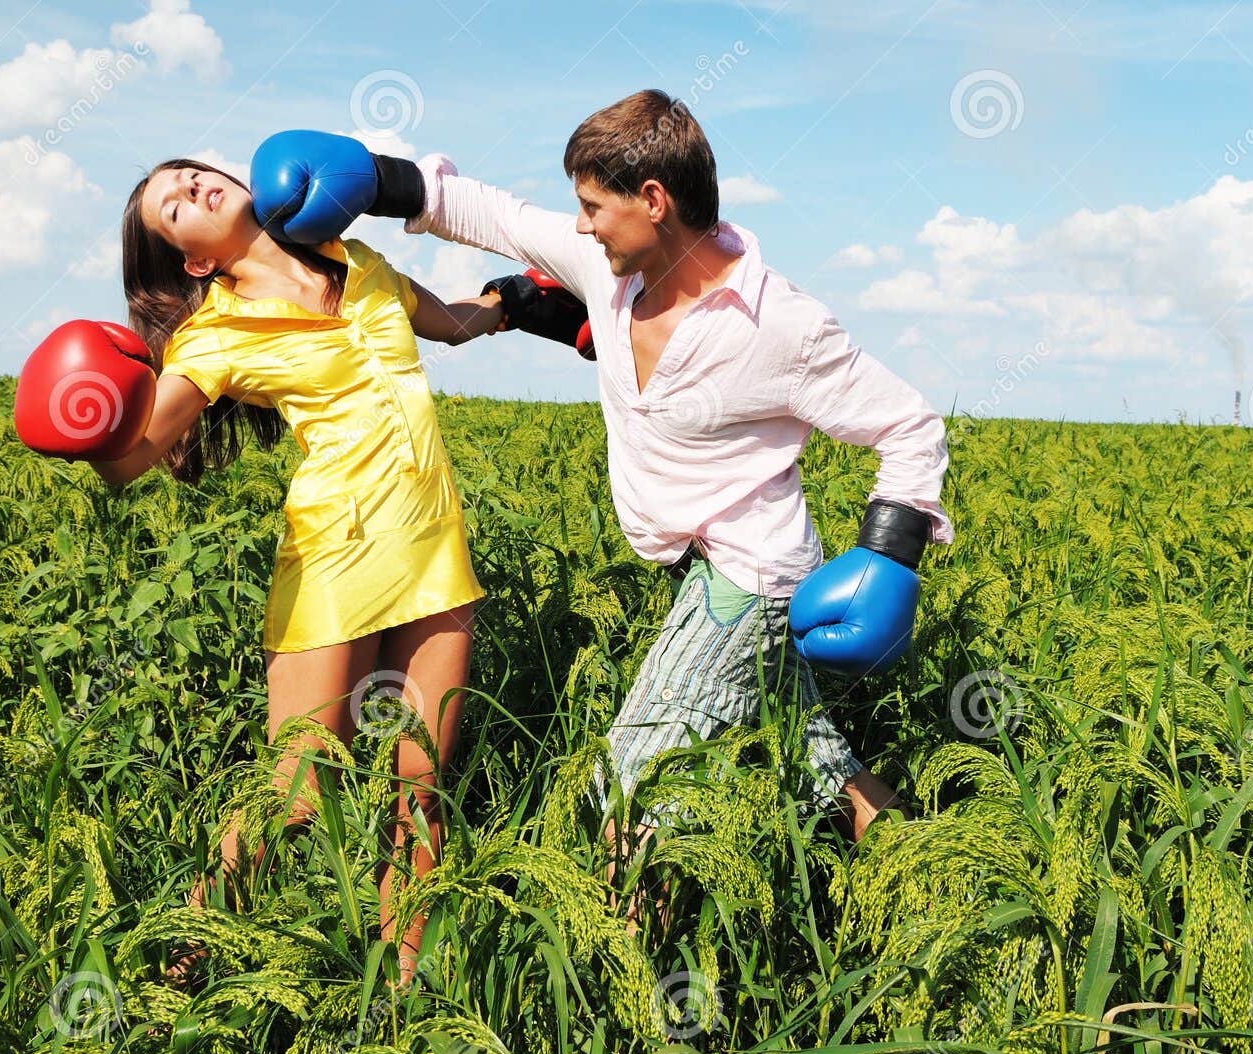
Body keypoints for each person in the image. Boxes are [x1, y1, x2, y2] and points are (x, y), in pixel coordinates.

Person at [252, 90, 955, 930]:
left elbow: (908, 424)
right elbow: (494, 214)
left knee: (631, 778)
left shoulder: (782, 327)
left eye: (593, 207)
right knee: (812, 761)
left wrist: (890, 552)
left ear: (653, 201)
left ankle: (617, 976)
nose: (580, 227)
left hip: (749, 576)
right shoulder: (611, 276)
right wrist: (379, 179)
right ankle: (937, 883)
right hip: (698, 562)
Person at [43, 155, 507, 986]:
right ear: (193, 259)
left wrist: (520, 300)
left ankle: (407, 996)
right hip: (335, 556)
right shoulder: (213, 334)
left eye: (190, 174)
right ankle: (175, 979)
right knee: (294, 796)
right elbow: (137, 454)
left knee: (420, 791)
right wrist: (79, 420)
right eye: (174, 205)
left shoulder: (355, 259)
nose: (192, 189)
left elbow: (454, 324)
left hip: (434, 543)